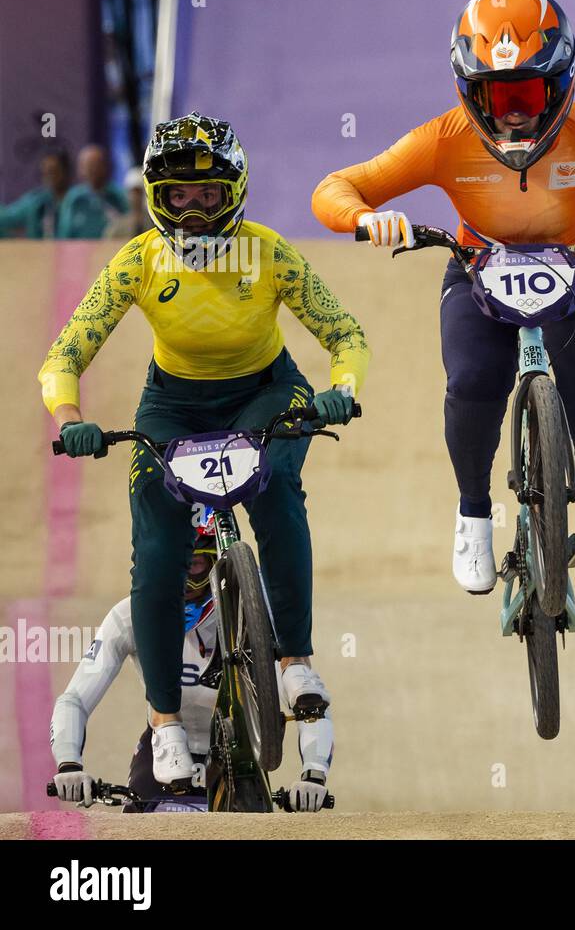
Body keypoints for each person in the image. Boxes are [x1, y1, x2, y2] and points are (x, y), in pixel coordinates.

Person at [312, 0, 575, 594]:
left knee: (570, 318)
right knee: (473, 379)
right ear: (469, 94)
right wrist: (365, 218)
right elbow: (338, 187)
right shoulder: (444, 139)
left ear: (560, 86)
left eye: (526, 93)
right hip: (476, 270)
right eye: (496, 96)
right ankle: (473, 513)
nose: (513, 113)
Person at [38, 111, 369, 787]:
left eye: (208, 195)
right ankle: (165, 723)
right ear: (159, 199)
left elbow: (346, 334)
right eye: (178, 197)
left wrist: (341, 388)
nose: (192, 212)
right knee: (157, 554)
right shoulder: (137, 260)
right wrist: (71, 417)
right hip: (171, 407)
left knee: (276, 486)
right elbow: (66, 353)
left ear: (234, 193)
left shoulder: (270, 252)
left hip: (269, 392)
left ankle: (294, 661)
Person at [50, 520, 335, 812]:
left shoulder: (258, 612)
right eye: (175, 561)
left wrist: (313, 774)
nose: (182, 574)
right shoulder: (127, 616)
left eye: (194, 563)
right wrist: (69, 763)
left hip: (239, 763)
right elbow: (74, 699)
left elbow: (309, 699)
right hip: (161, 758)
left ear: (215, 561)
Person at [57, 144, 128, 239]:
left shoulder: (119, 195)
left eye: (96, 165)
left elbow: (129, 225)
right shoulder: (74, 198)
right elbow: (64, 234)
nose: (92, 170)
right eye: (88, 165)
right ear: (80, 169)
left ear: (105, 166)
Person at [0, 149, 71, 238]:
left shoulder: (80, 201)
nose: (48, 176)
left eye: (53, 171)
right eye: (45, 172)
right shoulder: (35, 201)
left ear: (66, 171)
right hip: (40, 251)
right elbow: (7, 217)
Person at [106, 168, 150, 239]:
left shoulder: (155, 223)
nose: (135, 197)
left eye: (138, 192)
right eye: (132, 192)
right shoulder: (119, 226)